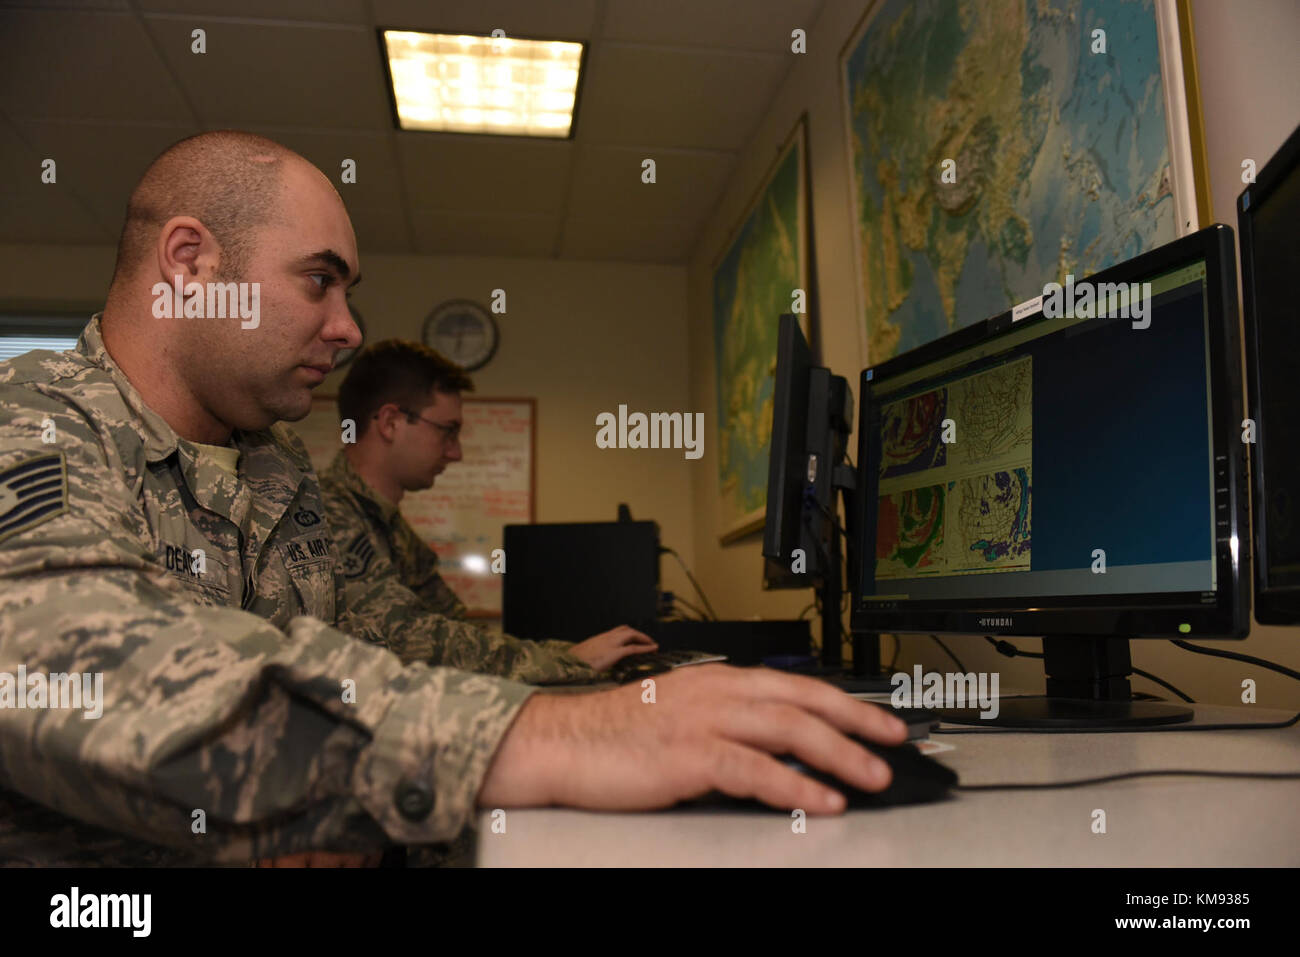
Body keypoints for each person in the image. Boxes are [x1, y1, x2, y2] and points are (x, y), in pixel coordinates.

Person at [0, 130, 908, 867]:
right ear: (191, 263)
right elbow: (67, 655)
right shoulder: (33, 419)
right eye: (319, 280)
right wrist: (560, 737)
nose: (349, 326)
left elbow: (378, 645)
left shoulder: (273, 466)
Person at [319, 339, 656, 681]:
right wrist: (570, 663)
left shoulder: (388, 526)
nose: (456, 453)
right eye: (448, 431)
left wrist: (564, 653)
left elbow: (455, 630)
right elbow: (408, 640)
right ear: (391, 422)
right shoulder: (328, 516)